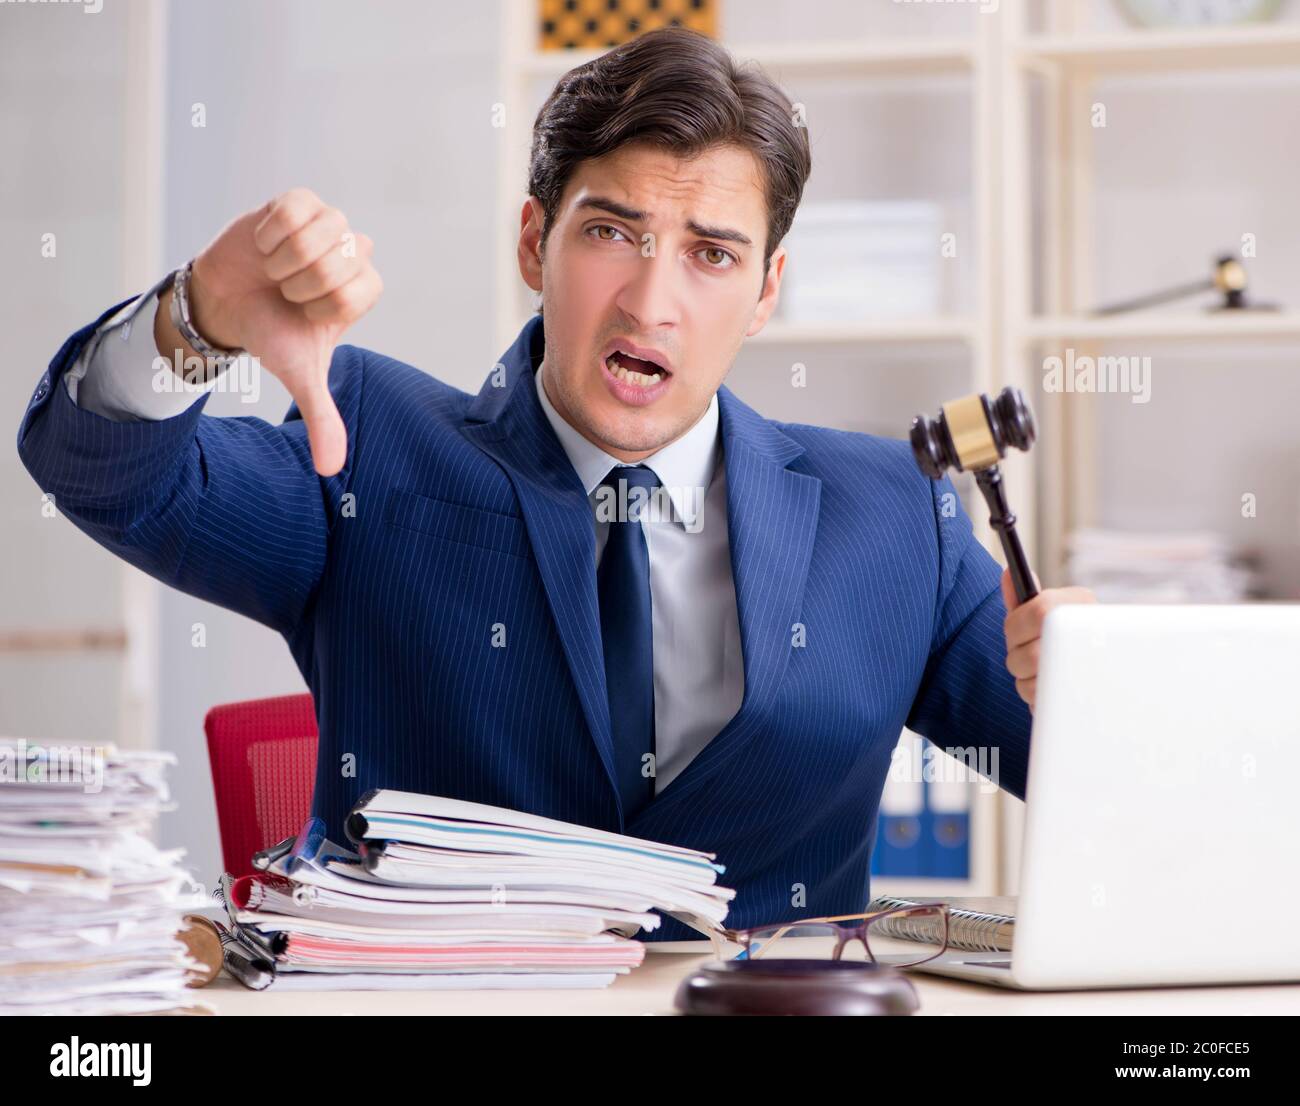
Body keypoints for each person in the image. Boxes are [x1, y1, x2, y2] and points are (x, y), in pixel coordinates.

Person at [16, 27, 1094, 942]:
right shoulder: (372, 444)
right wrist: (195, 321)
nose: (650, 300)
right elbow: (100, 468)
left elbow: (1101, 783)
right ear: (534, 241)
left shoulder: (892, 513)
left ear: (766, 291)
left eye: (710, 254)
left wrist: (1116, 687)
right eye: (611, 232)